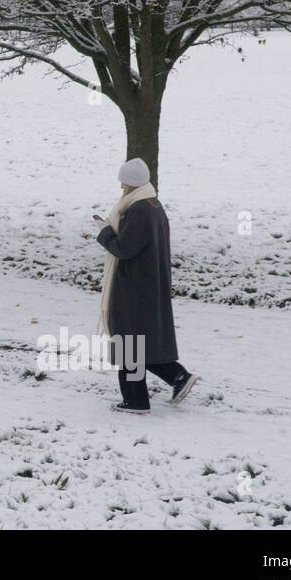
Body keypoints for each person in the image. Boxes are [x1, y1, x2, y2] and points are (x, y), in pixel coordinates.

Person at [95, 158, 198, 414]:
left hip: (134, 286)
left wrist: (106, 231)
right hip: (148, 283)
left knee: (129, 341)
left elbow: (124, 248)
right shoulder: (153, 205)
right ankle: (176, 378)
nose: (121, 187)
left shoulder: (139, 210)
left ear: (131, 183)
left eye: (123, 182)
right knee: (141, 341)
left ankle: (137, 399)